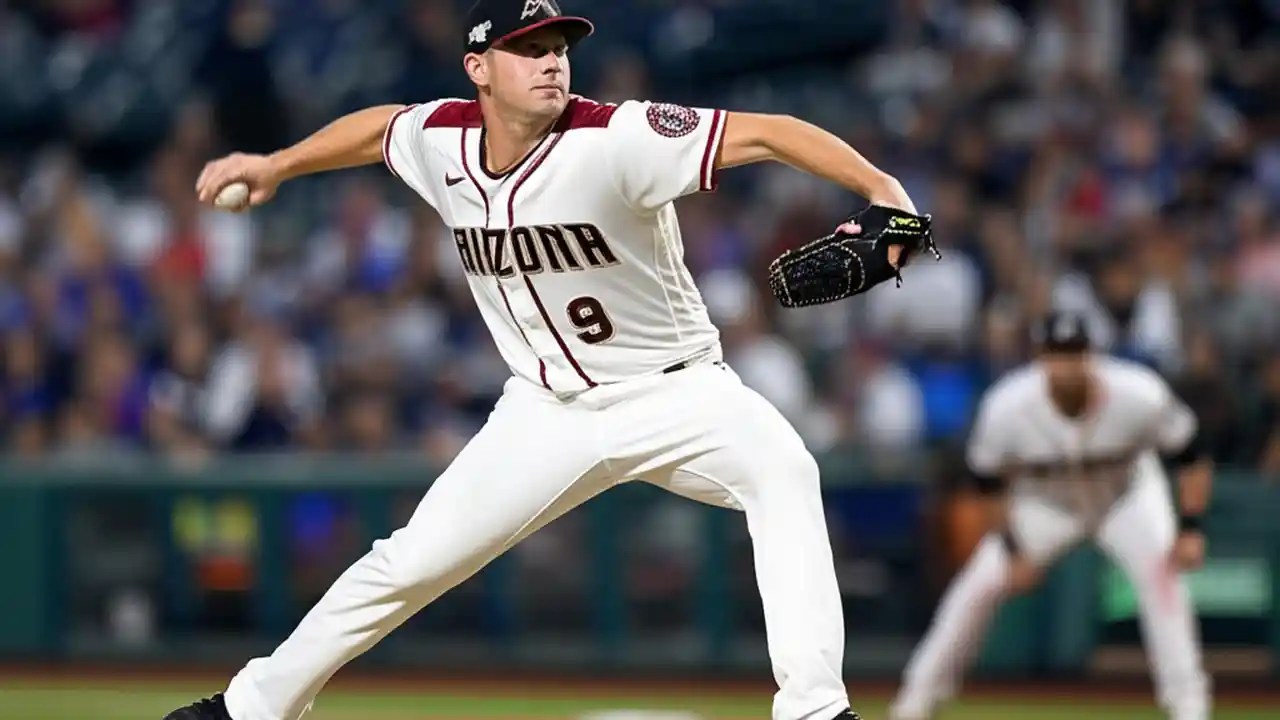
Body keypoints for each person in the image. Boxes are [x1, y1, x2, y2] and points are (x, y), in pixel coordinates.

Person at [168, 1, 922, 718]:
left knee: (785, 473)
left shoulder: (619, 137)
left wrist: (882, 188)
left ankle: (815, 711)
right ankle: (248, 707)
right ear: (478, 68)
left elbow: (771, 132)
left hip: (677, 392)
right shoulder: (444, 140)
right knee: (410, 564)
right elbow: (379, 131)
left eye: (559, 48)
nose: (551, 62)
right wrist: (277, 165)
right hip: (543, 408)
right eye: (527, 50)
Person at [889, 311, 1213, 720]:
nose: (1066, 365)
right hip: (1046, 505)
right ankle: (915, 700)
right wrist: (1012, 549)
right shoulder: (1007, 406)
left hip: (1127, 497)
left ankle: (1190, 706)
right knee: (978, 587)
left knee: (1165, 584)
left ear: (1092, 355)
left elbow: (1192, 454)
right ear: (1040, 359)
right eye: (1057, 354)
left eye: (1075, 353)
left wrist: (1191, 528)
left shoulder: (1138, 393)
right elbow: (988, 483)